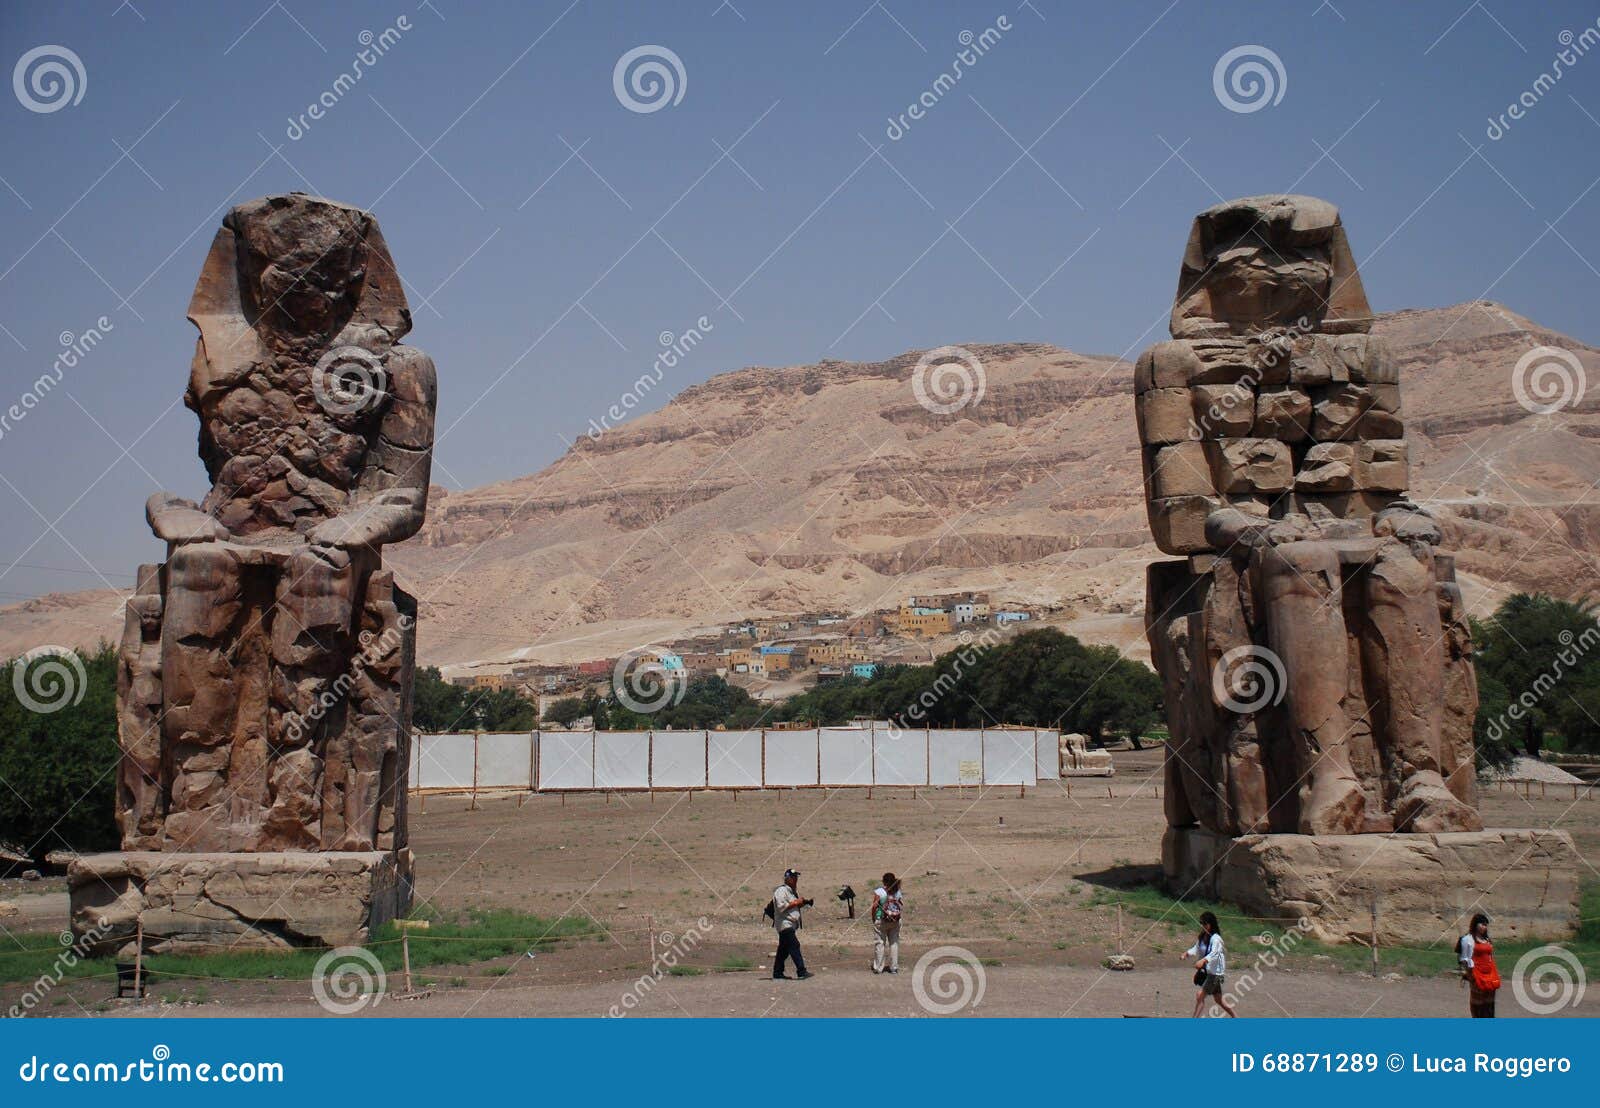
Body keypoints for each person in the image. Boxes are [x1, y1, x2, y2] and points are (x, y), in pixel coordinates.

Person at [1182, 911, 1237, 1017]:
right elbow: (1197, 948)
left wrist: (1203, 960)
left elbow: (1215, 953)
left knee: (1200, 996)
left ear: (1211, 924)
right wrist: (1187, 953)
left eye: (1205, 923)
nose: (1203, 926)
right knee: (1218, 999)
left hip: (1215, 973)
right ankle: (1236, 1017)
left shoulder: (1216, 939)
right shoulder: (1203, 936)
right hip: (1208, 972)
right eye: (1201, 923)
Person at [771, 868, 814, 980]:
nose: (796, 880)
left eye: (796, 878)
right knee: (794, 945)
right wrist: (796, 902)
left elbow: (791, 906)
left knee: (783, 950)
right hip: (784, 924)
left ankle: (777, 973)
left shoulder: (791, 891)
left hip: (790, 924)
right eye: (793, 877)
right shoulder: (781, 891)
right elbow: (781, 906)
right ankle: (801, 971)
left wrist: (801, 903)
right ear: (788, 878)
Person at [1457, 912, 1500, 1017]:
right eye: (1482, 924)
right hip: (1476, 973)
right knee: (1478, 1002)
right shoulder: (1467, 939)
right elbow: (1464, 959)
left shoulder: (1487, 940)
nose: (1484, 927)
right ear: (1475, 924)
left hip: (1490, 973)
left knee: (1489, 1001)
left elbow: (1490, 956)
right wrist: (1468, 974)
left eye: (1486, 925)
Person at [871, 873, 903, 974]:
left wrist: (873, 918)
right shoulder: (897, 891)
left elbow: (874, 906)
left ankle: (878, 968)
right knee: (894, 943)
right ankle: (894, 967)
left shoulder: (879, 891)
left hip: (881, 920)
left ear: (884, 881)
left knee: (880, 943)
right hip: (895, 920)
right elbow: (900, 904)